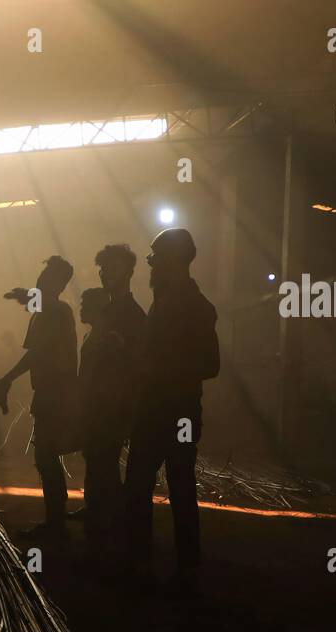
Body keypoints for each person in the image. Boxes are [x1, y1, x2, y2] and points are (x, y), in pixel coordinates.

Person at [121, 229, 219, 594]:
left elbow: (211, 364)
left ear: (173, 260)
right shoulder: (164, 303)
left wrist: (155, 369)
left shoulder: (195, 308)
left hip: (172, 411)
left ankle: (167, 567)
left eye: (154, 256)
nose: (150, 263)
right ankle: (167, 566)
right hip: (162, 409)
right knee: (160, 487)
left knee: (168, 487)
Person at [0, 256, 79, 537]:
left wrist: (6, 379)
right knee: (46, 456)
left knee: (46, 455)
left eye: (46, 277)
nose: (39, 281)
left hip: (56, 392)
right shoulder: (46, 311)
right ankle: (57, 519)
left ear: (57, 284)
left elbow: (36, 353)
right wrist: (23, 296)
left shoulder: (56, 313)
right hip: (49, 391)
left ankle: (56, 522)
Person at [77, 245, 146, 539]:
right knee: (96, 458)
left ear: (129, 271)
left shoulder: (131, 314)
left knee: (103, 459)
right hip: (98, 401)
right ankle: (98, 512)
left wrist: (123, 350)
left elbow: (142, 360)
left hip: (114, 403)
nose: (105, 273)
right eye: (103, 268)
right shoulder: (109, 311)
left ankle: (109, 523)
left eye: (111, 267)